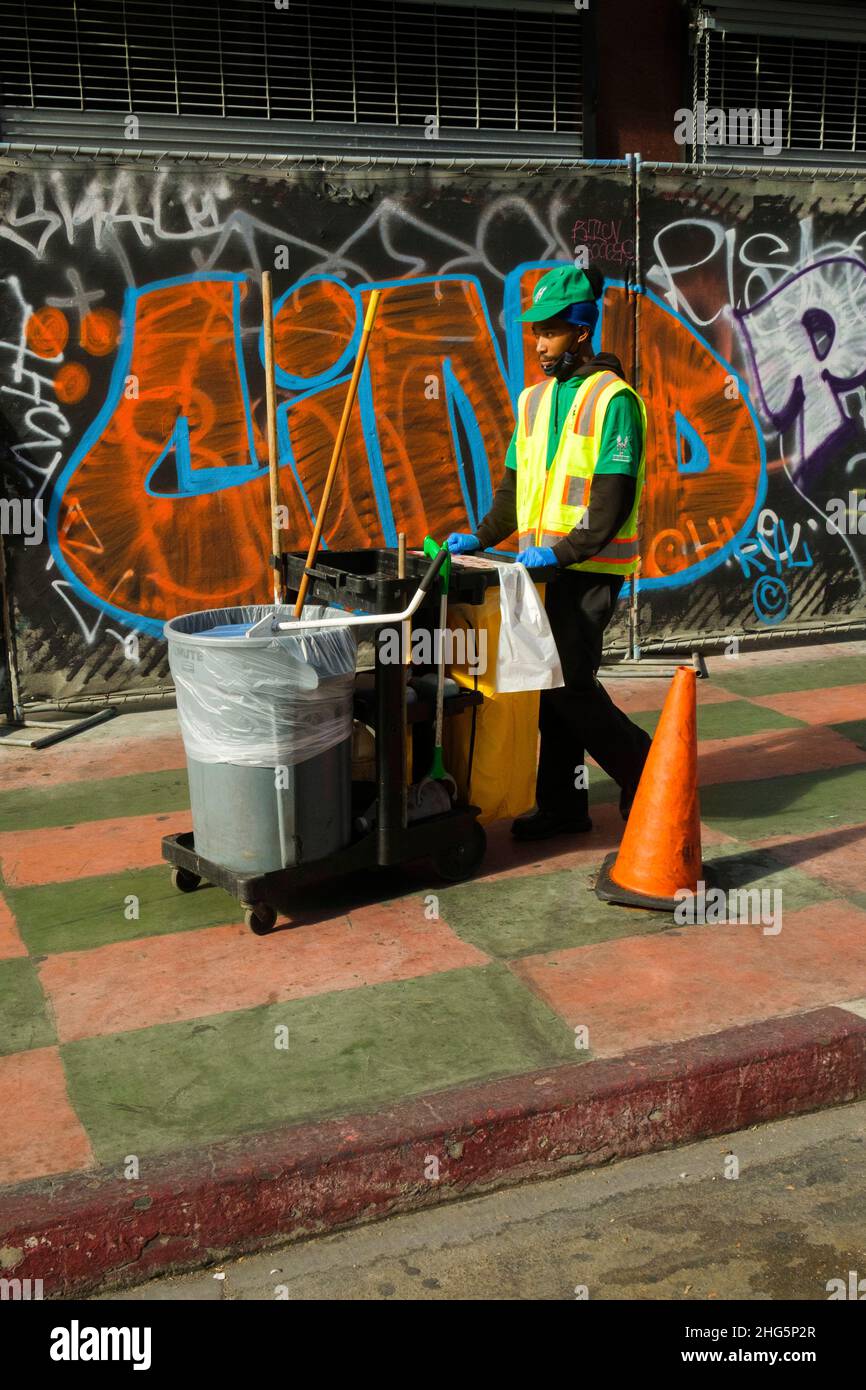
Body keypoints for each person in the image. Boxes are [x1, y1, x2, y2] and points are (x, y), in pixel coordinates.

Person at [447, 264, 652, 841]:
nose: (538, 343)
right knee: (552, 682)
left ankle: (646, 766)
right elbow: (514, 491)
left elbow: (611, 502)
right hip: (543, 569)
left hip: (589, 569)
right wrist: (481, 537)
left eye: (551, 331)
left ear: (582, 330)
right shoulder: (534, 400)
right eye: (535, 330)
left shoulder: (614, 401)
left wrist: (559, 555)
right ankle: (564, 805)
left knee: (569, 685)